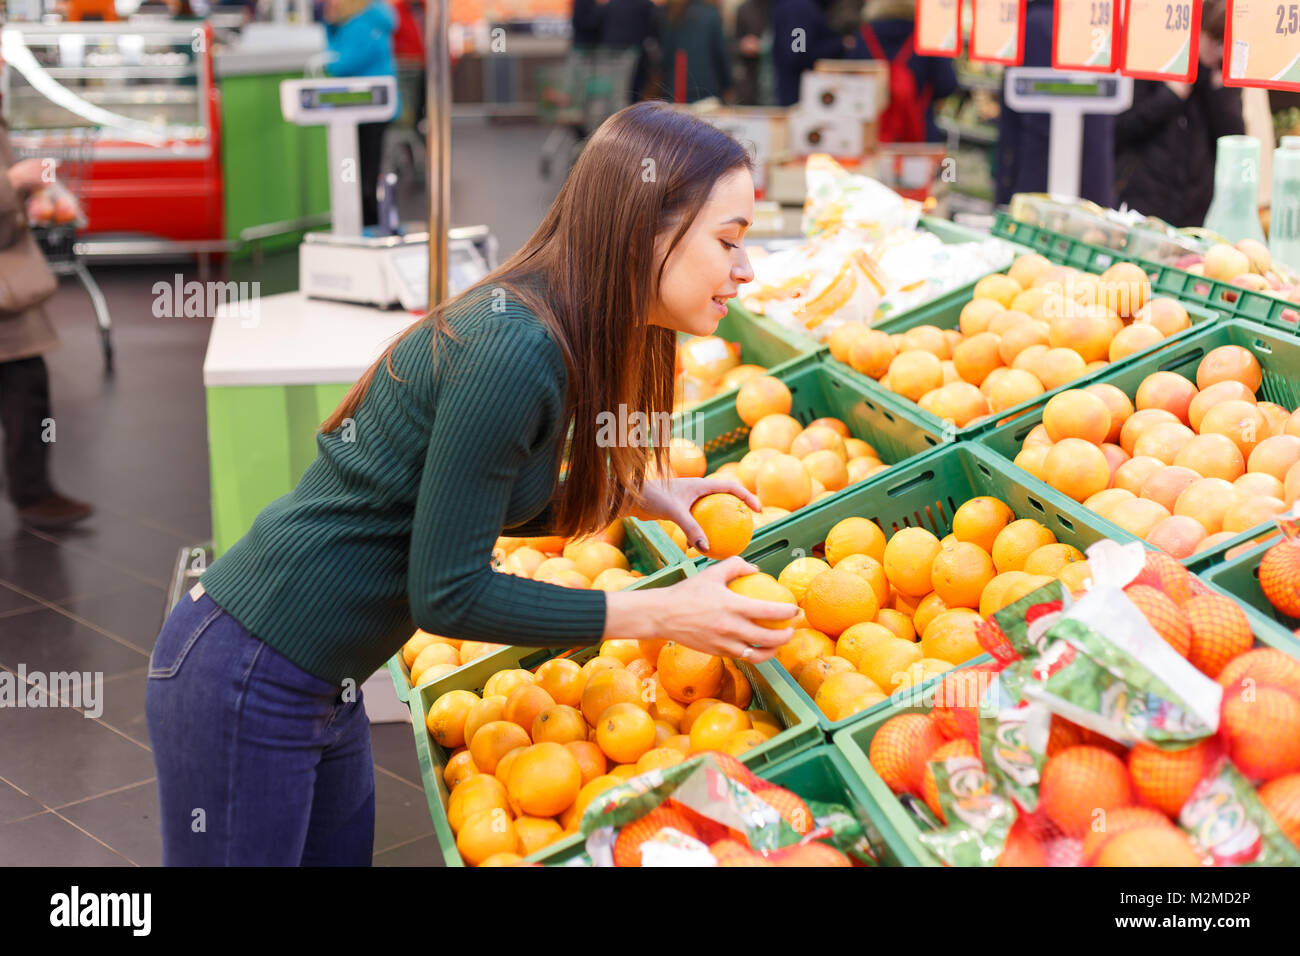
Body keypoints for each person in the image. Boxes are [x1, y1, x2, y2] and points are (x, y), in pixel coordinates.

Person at [145, 102, 793, 866]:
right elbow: (447, 593)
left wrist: (628, 494)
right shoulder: (515, 349)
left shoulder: (555, 333)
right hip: (249, 671)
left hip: (321, 681)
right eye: (729, 242)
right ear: (646, 228)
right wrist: (661, 615)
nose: (745, 270)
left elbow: (478, 501)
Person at [0, 97, 94, 527]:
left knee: (28, 387)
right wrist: (12, 182)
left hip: (11, 285)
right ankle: (33, 492)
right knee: (25, 386)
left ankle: (34, 491)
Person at [1114, 0, 1244, 227]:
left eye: (1226, 42)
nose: (1220, 50)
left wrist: (1220, 95)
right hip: (1144, 205)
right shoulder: (1155, 61)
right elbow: (1121, 129)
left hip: (1195, 211)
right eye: (1215, 40)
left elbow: (1234, 141)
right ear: (1197, 30)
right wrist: (1169, 98)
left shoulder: (1222, 79)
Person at [995, 0, 1114, 207]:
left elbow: (1029, 122)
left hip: (1041, 183)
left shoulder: (1035, 25)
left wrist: (1007, 188)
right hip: (1090, 184)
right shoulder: (1099, 22)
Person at [322, 0, 398, 229]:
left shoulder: (360, 25)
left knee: (362, 168)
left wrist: (329, 28)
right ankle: (371, 219)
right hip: (374, 105)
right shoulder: (373, 20)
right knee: (368, 165)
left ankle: (368, 221)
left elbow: (341, 63)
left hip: (365, 106)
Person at [847, 0, 956, 143]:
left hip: (871, 135)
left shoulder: (865, 35)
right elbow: (947, 85)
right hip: (917, 137)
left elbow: (849, 82)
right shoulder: (928, 35)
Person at [771, 0, 852, 106]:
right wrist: (840, 45)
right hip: (801, 96)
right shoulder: (798, 8)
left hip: (800, 95)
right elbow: (798, 54)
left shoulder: (799, 6)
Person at [658, 0, 732, 103]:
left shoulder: (669, 12)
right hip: (707, 89)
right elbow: (721, 55)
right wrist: (727, 85)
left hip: (676, 87)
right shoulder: (711, 13)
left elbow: (664, 57)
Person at [733, 0, 772, 105]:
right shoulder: (744, 9)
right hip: (751, 76)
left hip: (774, 77)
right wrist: (742, 45)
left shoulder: (779, 8)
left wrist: (765, 47)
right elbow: (734, 43)